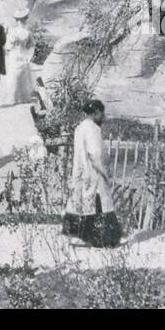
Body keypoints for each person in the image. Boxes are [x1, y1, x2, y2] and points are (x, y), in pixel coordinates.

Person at [63, 99, 122, 248]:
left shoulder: (79, 128)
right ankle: (103, 240)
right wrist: (103, 172)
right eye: (101, 113)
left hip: (80, 172)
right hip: (92, 172)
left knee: (80, 203)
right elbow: (94, 153)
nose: (103, 117)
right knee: (100, 203)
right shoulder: (94, 129)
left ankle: (79, 236)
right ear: (96, 113)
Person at [0, 5, 38, 106]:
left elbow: (8, 46)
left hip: (14, 54)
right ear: (24, 19)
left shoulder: (13, 31)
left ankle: (14, 98)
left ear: (17, 20)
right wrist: (29, 55)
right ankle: (22, 97)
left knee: (14, 75)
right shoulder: (26, 32)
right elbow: (32, 45)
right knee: (19, 75)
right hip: (23, 54)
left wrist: (6, 48)